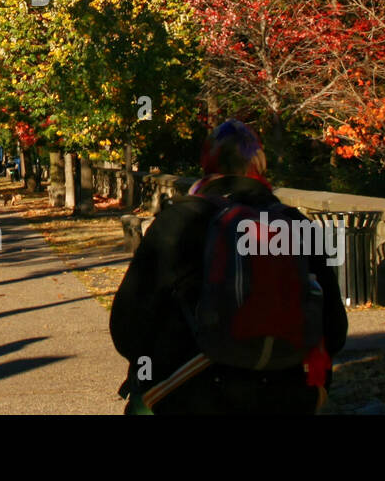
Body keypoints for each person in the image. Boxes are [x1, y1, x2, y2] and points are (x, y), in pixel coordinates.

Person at [110, 120, 347, 414]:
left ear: (207, 166)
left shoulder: (178, 222)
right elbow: (334, 331)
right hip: (288, 396)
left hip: (190, 396)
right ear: (260, 165)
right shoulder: (296, 225)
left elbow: (127, 328)